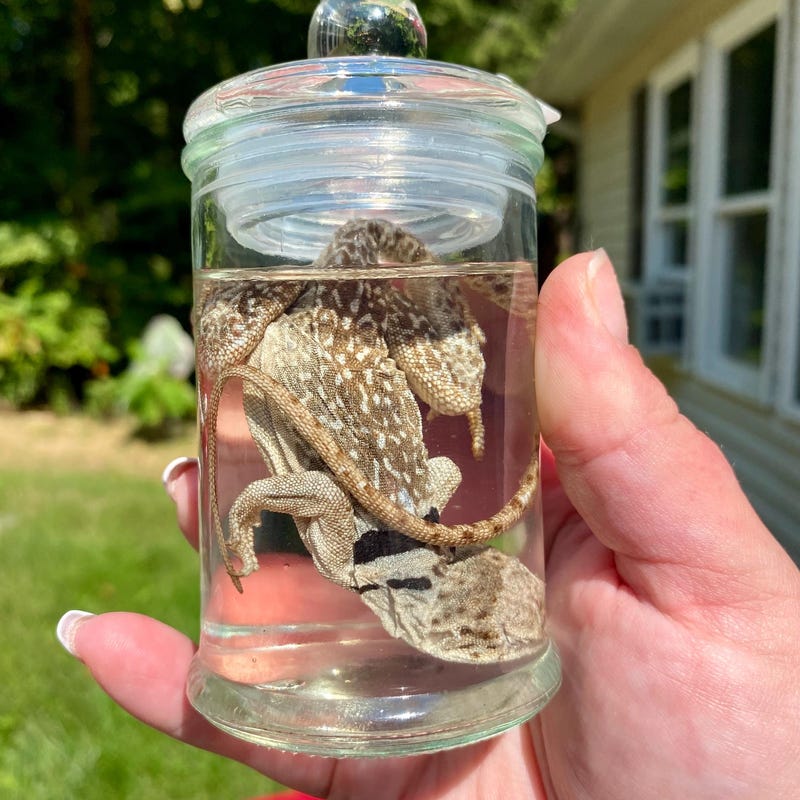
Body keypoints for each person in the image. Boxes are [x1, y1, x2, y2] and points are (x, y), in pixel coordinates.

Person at [56, 250, 800, 799]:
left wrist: (260, 510)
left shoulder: (390, 545)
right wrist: (249, 512)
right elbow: (325, 489)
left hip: (332, 372)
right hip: (299, 351)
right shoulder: (363, 556)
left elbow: (400, 483)